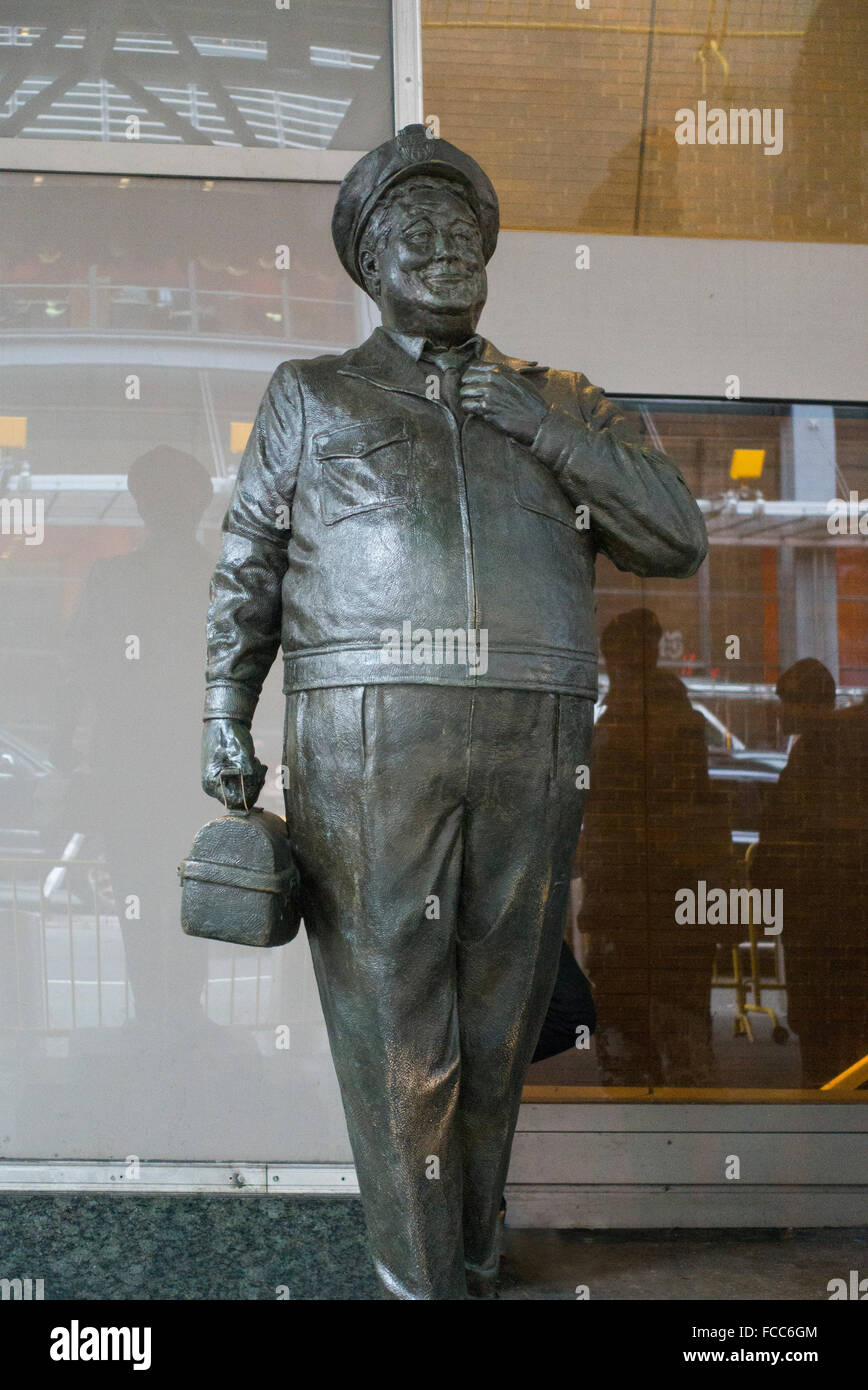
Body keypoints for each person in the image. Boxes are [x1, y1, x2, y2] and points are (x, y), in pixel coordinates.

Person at [200, 125, 707, 1299]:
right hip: (370, 728)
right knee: (394, 1025)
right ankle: (419, 1276)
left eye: (458, 229)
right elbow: (250, 567)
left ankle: (467, 1258)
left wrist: (536, 427)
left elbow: (673, 535)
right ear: (369, 268)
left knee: (497, 1013)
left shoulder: (559, 399)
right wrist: (225, 709)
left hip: (533, 728)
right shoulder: (311, 394)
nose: (440, 247)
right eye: (410, 232)